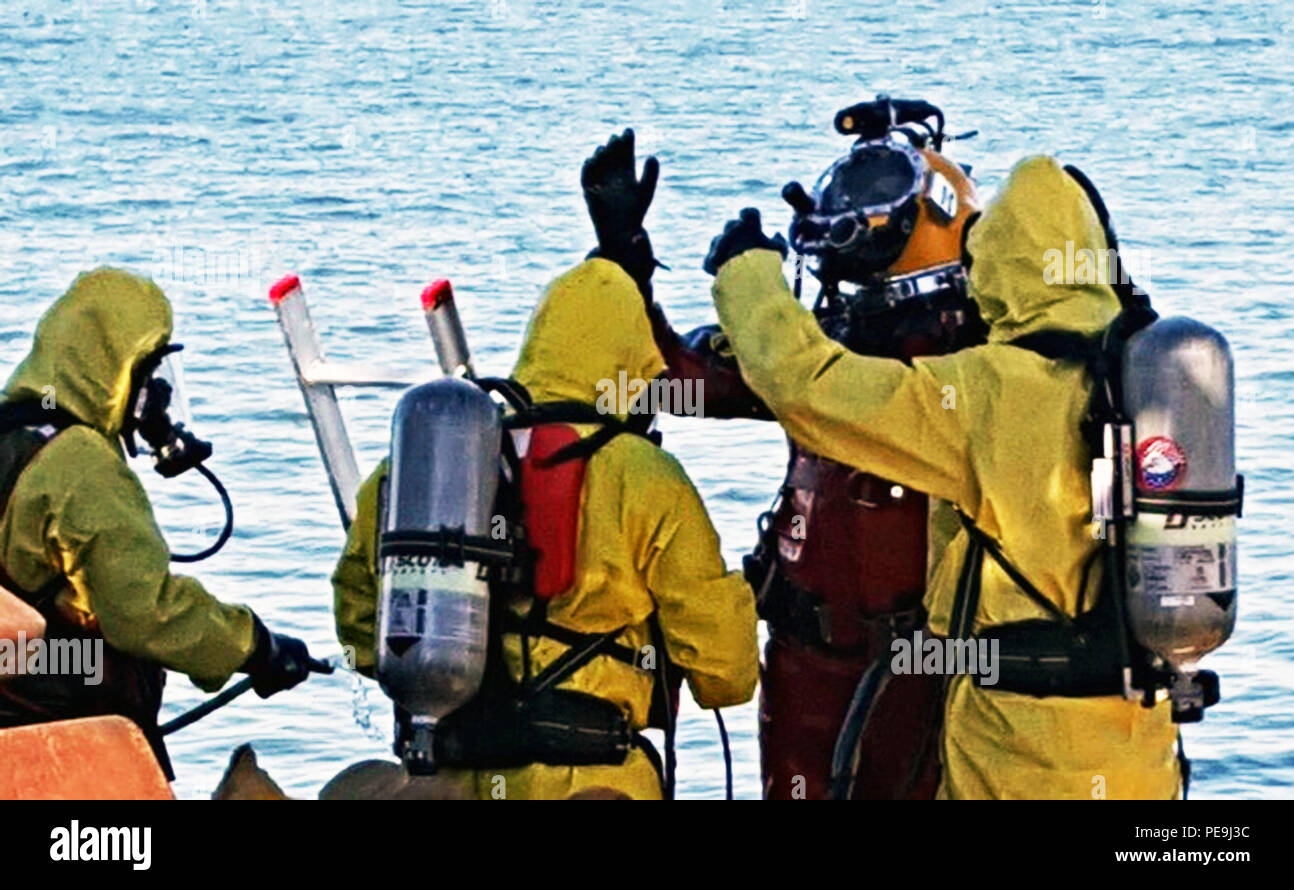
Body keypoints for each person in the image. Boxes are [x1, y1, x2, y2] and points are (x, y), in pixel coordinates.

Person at [702, 154, 1183, 799]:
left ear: (1002, 262)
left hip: (1021, 754)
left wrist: (747, 273)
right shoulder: (1148, 370)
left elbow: (807, 388)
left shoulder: (993, 393)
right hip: (1138, 748)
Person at [580, 102, 985, 799]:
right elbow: (672, 384)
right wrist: (626, 258)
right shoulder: (806, 355)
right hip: (804, 665)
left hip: (923, 673)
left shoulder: (971, 367)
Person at [332, 253, 759, 800]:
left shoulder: (424, 462)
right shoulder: (643, 474)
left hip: (450, 772)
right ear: (633, 368)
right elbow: (727, 675)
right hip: (597, 779)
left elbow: (361, 629)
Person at [0, 268, 326, 778]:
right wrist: (256, 647)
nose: (161, 398)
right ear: (117, 370)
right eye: (152, 376)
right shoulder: (81, 464)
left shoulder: (14, 434)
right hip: (73, 739)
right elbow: (145, 612)